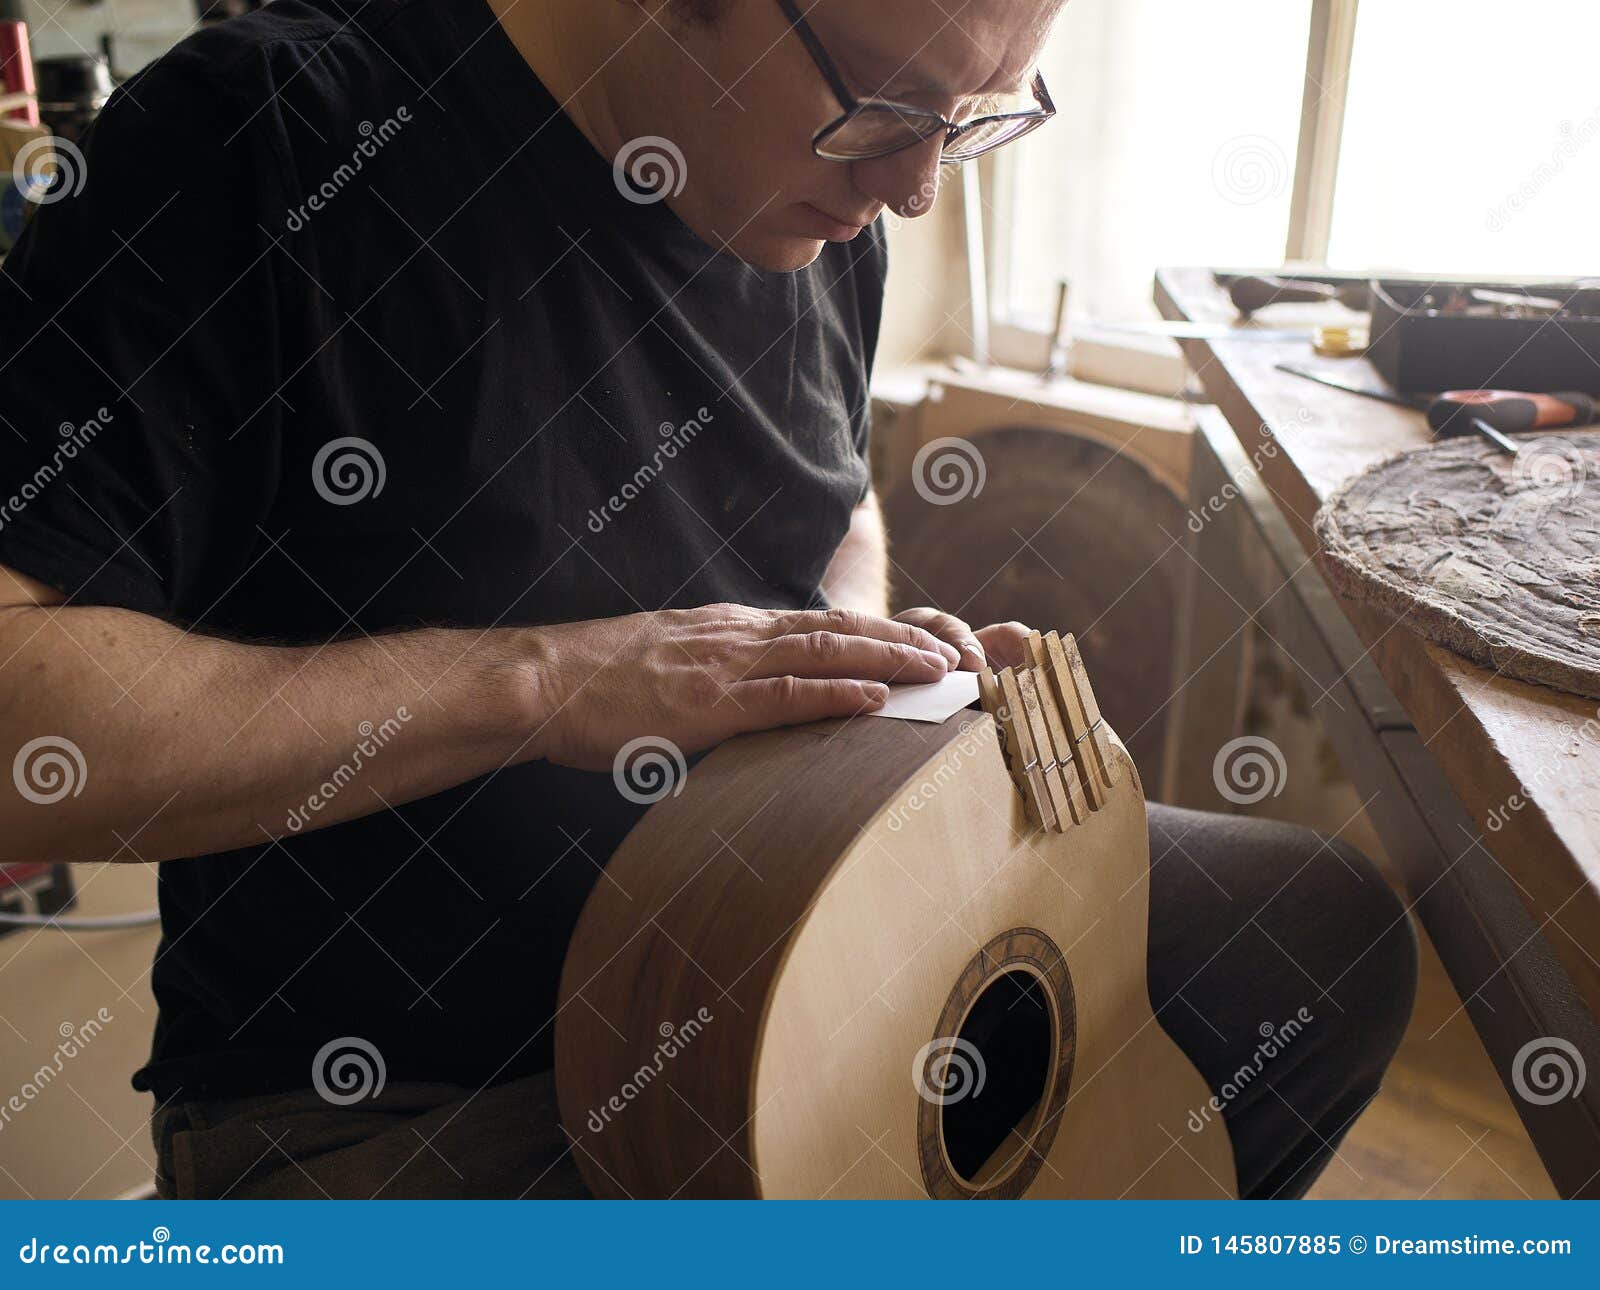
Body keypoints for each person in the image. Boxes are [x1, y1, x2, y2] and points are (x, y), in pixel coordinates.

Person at [0, 0, 1414, 1199]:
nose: (918, 188)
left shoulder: (823, 205)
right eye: (883, 105)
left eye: (981, 116)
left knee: (1316, 940)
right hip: (413, 1086)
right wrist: (549, 685)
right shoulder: (261, 143)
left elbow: (831, 499)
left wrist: (862, 676)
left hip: (786, 925)